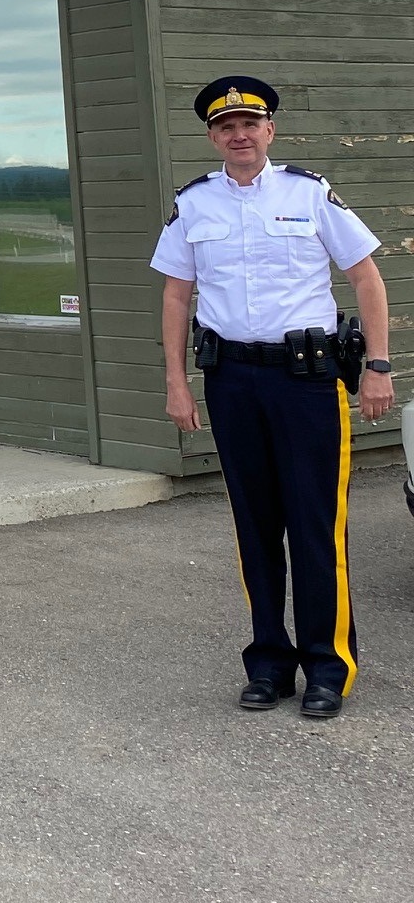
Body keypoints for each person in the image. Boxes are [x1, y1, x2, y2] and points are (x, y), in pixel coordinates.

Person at [150, 76, 394, 718]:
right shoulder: (194, 204)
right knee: (255, 526)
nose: (240, 135)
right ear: (212, 137)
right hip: (231, 380)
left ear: (269, 131)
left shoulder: (308, 195)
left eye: (250, 124)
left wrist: (378, 365)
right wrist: (178, 382)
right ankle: (268, 663)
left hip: (306, 380)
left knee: (315, 524)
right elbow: (177, 294)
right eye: (226, 127)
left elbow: (366, 276)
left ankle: (326, 666)